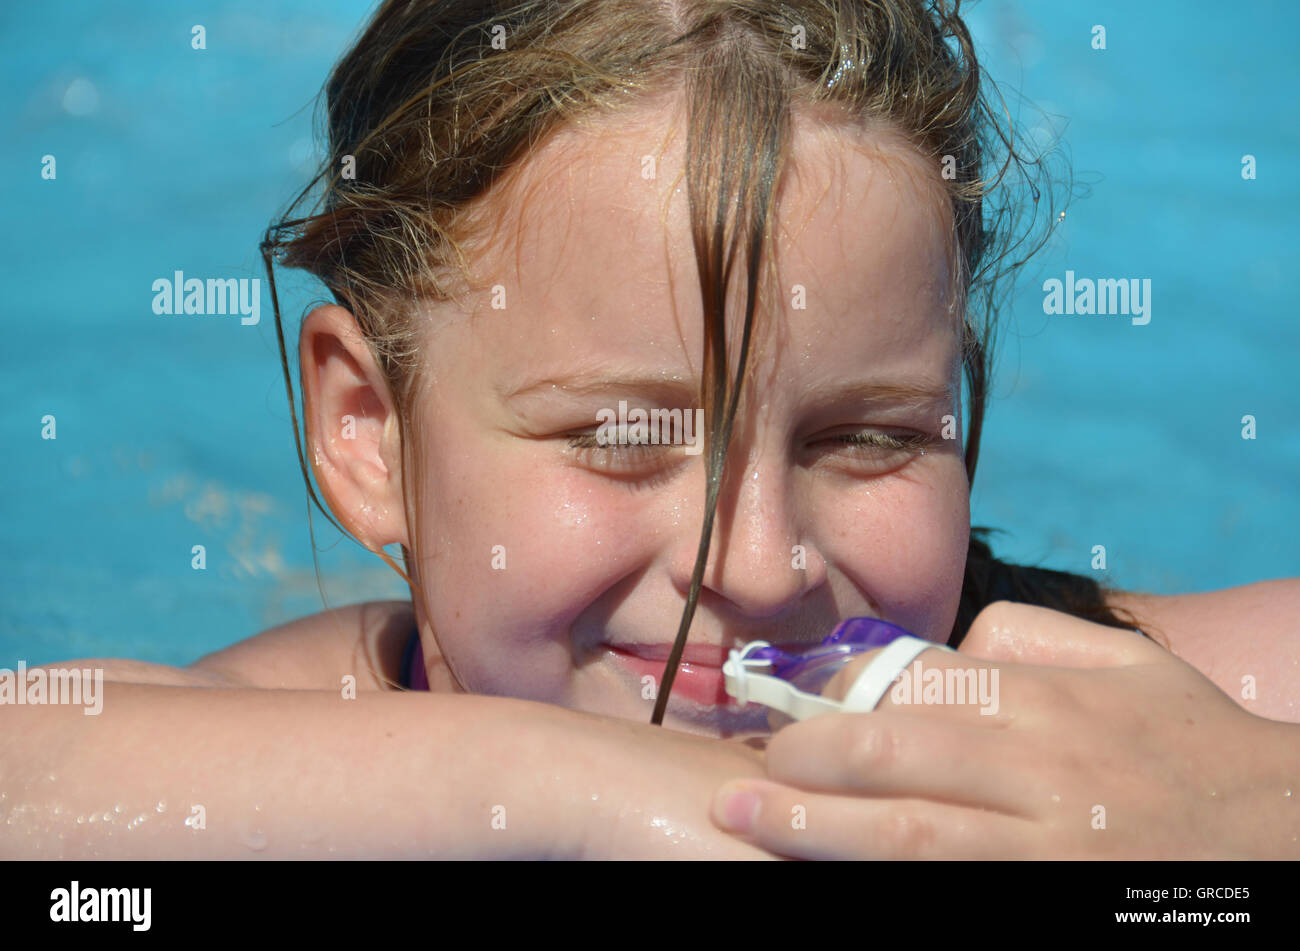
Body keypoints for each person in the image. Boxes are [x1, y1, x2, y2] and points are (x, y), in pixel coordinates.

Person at [3, 0, 1294, 859]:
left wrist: (1246, 814)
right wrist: (575, 793)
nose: (758, 563)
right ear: (370, 432)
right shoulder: (327, 727)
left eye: (867, 438)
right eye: (624, 437)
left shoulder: (1054, 714)